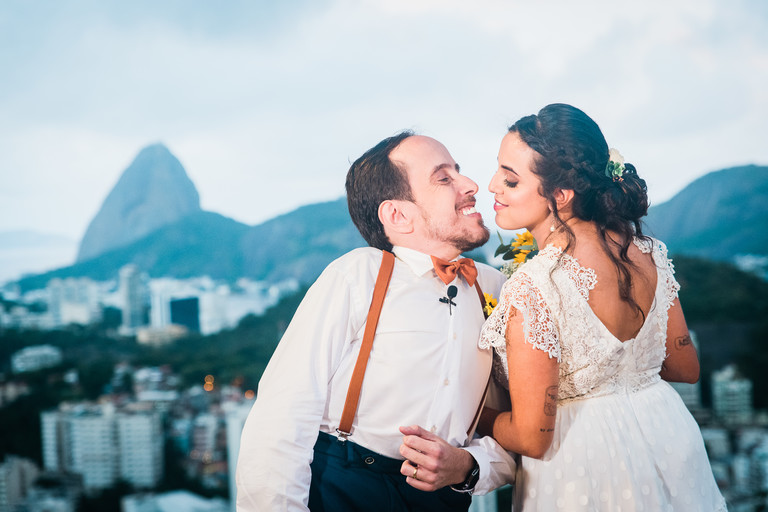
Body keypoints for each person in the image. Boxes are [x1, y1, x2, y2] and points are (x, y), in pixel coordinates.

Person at [236, 131, 516, 511]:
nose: (470, 185)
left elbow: (524, 429)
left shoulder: (496, 289)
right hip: (344, 489)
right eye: (444, 178)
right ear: (398, 215)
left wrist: (469, 467)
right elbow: (281, 419)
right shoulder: (357, 275)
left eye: (459, 172)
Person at [479, 103, 727, 511]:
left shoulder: (535, 284)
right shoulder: (648, 255)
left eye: (510, 179)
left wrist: (479, 415)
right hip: (670, 439)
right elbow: (685, 368)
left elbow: (530, 435)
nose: (492, 186)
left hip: (586, 464)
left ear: (560, 194)